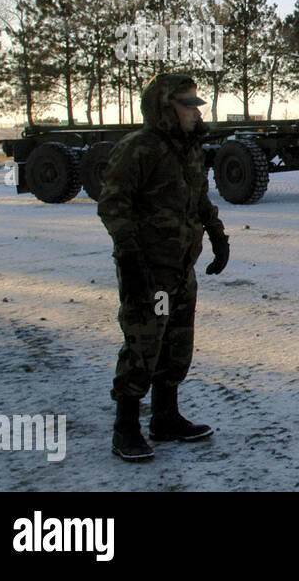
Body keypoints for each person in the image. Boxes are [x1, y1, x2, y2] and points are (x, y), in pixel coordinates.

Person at [97, 72, 230, 462]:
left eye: (195, 104)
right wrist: (130, 257)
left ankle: (165, 417)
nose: (194, 111)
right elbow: (113, 205)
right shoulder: (139, 148)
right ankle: (126, 428)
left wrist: (218, 235)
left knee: (176, 344)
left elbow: (199, 198)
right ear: (164, 106)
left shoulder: (188, 148)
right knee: (144, 345)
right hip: (149, 270)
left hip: (181, 268)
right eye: (186, 104)